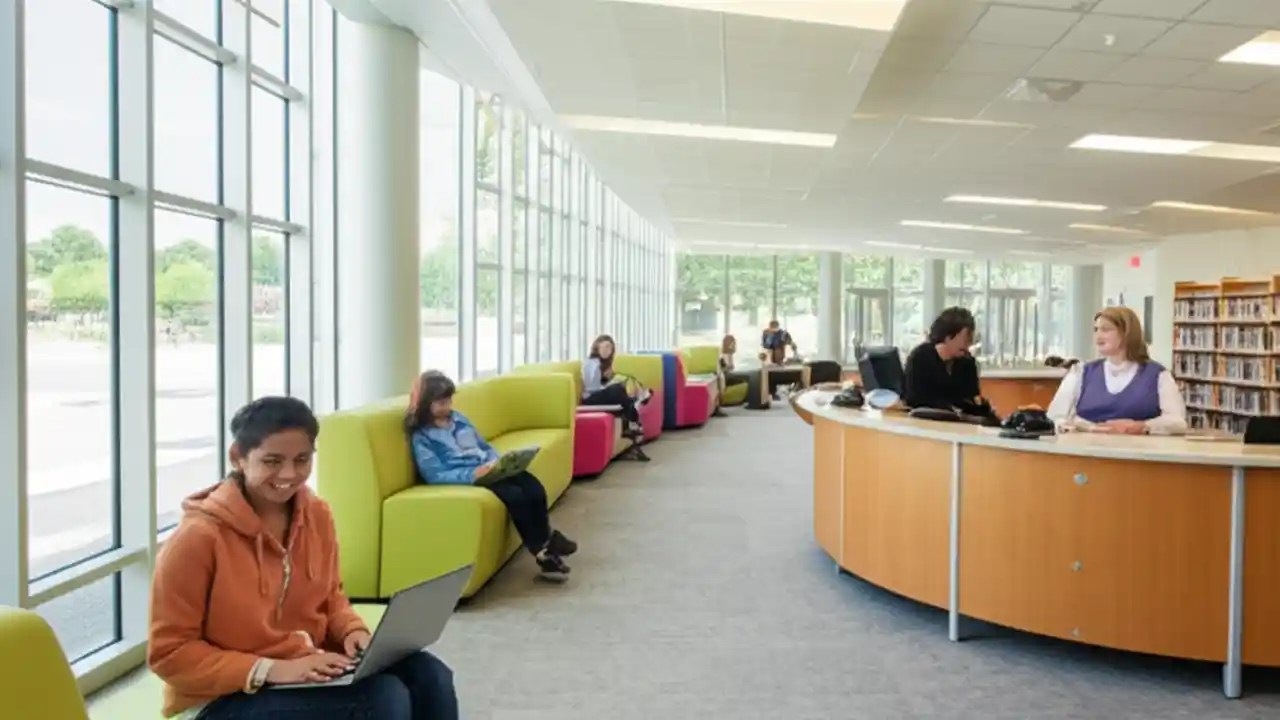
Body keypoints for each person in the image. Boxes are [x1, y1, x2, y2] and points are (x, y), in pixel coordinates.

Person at [148, 396, 459, 720]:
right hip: (222, 697)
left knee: (429, 675)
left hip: (301, 669)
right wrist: (274, 669)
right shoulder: (196, 540)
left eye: (302, 460)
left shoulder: (316, 514)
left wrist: (352, 632)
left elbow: (330, 597)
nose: (289, 474)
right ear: (237, 458)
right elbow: (170, 654)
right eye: (272, 461)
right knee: (380, 700)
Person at [407, 370, 577, 579]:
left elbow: (482, 445)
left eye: (449, 400)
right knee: (515, 495)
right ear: (426, 403)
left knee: (533, 487)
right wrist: (473, 474)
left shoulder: (458, 419)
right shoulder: (421, 437)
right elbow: (434, 474)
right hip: (470, 476)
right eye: (440, 403)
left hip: (488, 467)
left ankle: (546, 547)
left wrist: (497, 460)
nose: (447, 406)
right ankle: (544, 547)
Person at [1047, 306, 1187, 435]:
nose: (1098, 336)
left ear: (1127, 333)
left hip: (1140, 454)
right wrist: (1087, 427)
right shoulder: (1080, 372)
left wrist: (1141, 426)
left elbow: (1178, 422)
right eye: (1096, 329)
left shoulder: (1158, 375)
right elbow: (1055, 416)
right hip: (1088, 451)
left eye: (1106, 329)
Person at [903, 306, 992, 416]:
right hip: (928, 420)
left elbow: (971, 398)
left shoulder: (967, 363)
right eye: (966, 338)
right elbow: (915, 399)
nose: (969, 344)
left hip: (960, 423)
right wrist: (951, 407)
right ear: (948, 337)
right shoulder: (920, 358)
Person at [581, 334, 649, 435]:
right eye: (605, 347)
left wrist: (609, 380)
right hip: (590, 398)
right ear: (597, 346)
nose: (607, 350)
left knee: (620, 389)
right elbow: (592, 387)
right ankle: (635, 406)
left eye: (610, 348)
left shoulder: (603, 364)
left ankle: (633, 415)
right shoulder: (591, 363)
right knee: (617, 388)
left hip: (599, 396)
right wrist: (608, 386)